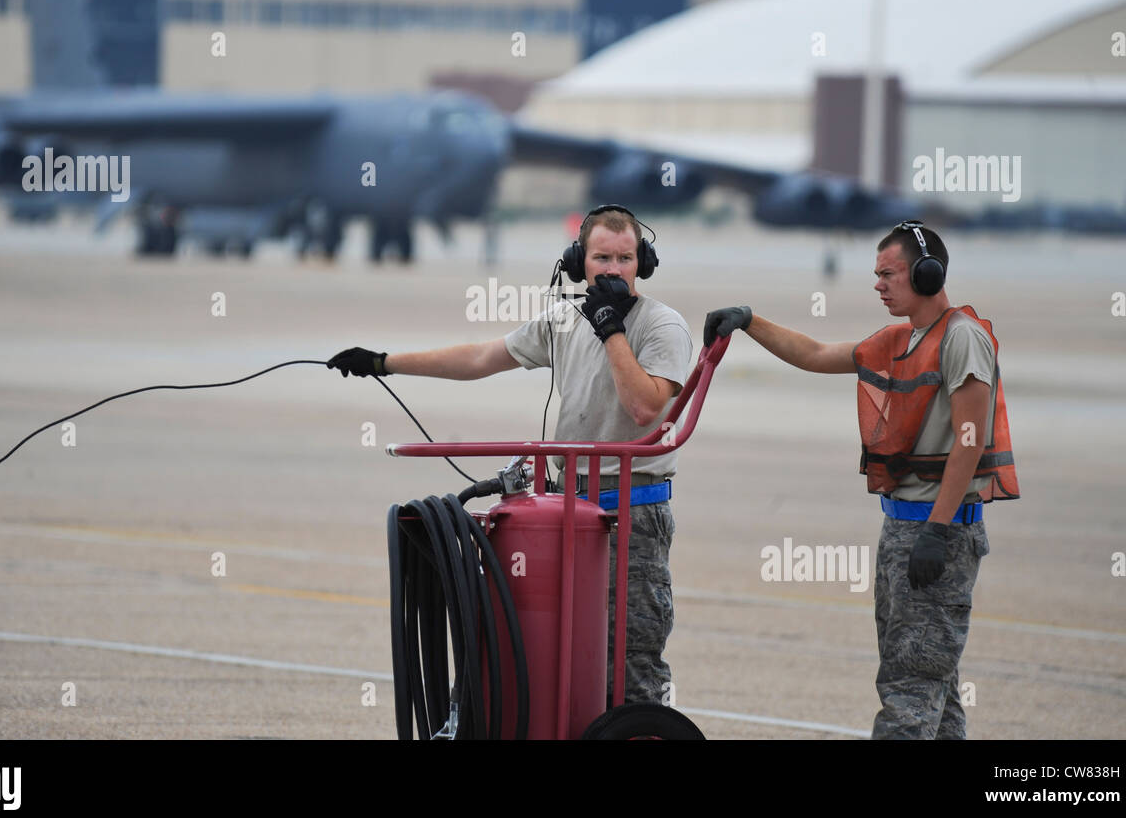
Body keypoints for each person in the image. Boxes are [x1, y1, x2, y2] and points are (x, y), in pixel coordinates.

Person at [328, 205, 693, 706]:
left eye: (625, 258)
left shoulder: (661, 326)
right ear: (578, 263)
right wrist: (385, 362)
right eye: (601, 257)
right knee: (550, 647)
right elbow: (481, 358)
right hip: (571, 510)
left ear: (642, 263)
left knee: (629, 664)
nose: (613, 270)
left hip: (633, 512)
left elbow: (644, 404)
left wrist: (611, 330)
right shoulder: (565, 321)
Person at [704, 221, 1019, 739]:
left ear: (926, 273)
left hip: (936, 533)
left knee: (909, 688)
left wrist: (937, 530)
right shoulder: (902, 339)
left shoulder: (962, 338)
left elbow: (969, 439)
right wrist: (748, 321)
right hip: (903, 530)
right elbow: (814, 354)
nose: (878, 285)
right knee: (928, 684)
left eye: (888, 274)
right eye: (877, 274)